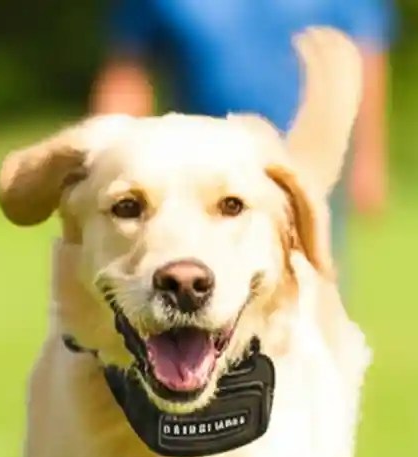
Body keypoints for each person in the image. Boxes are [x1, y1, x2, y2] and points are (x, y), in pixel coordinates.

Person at [90, 0, 396, 279]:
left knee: (308, 280)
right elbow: (128, 72)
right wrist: (103, 159)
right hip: (199, 172)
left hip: (305, 163)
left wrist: (368, 159)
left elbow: (364, 59)